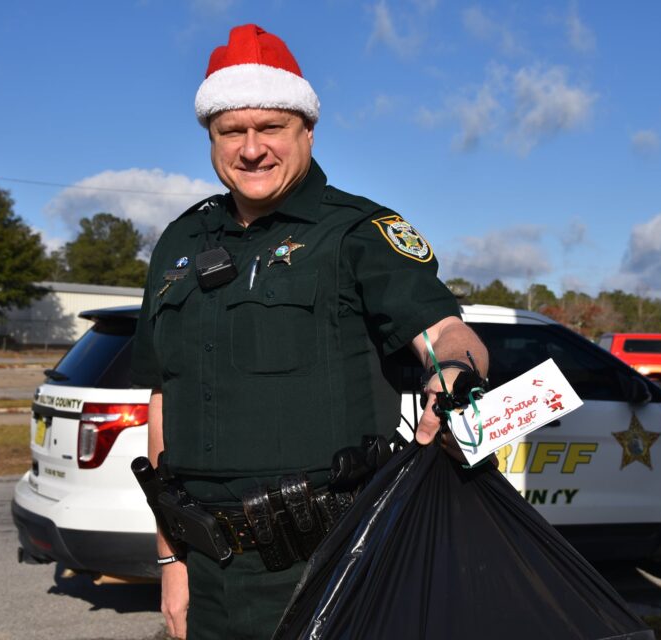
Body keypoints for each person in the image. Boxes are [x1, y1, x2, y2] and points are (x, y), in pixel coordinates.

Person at [130, 23, 488, 640]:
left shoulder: (357, 232)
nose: (251, 149)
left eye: (270, 128)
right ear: (211, 138)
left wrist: (452, 373)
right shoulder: (179, 242)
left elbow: (446, 330)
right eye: (231, 132)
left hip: (336, 565)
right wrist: (170, 560)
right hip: (208, 574)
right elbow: (163, 399)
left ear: (307, 132)